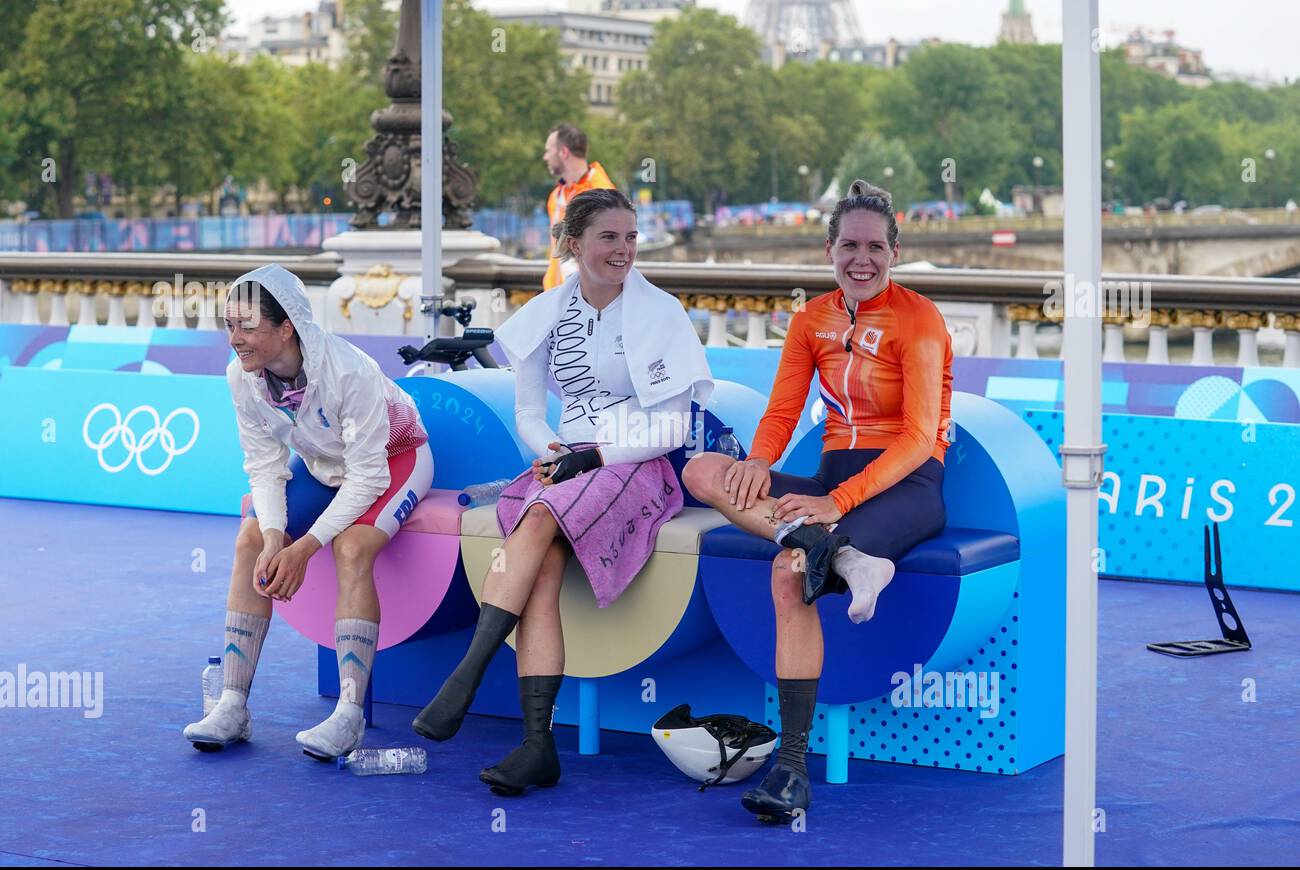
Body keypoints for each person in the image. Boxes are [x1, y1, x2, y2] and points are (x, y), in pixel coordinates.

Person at [413, 188, 713, 795]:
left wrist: (595, 455)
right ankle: (537, 747)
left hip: (639, 464)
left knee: (540, 514)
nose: (624, 250)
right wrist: (552, 451)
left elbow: (673, 429)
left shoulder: (662, 313)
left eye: (631, 237)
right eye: (609, 237)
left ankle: (465, 675)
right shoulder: (545, 314)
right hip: (566, 466)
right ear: (573, 243)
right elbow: (528, 413)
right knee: (541, 560)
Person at [682, 180, 954, 822]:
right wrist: (756, 464)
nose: (863, 260)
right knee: (702, 471)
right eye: (850, 246)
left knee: (791, 574)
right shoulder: (811, 320)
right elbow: (781, 412)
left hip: (906, 487)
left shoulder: (920, 318)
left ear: (894, 253)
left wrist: (838, 502)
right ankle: (832, 550)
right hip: (833, 483)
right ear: (829, 249)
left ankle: (791, 770)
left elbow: (918, 439)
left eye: (876, 248)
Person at [182, 264, 432, 760]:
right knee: (251, 537)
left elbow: (367, 477)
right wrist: (276, 538)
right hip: (324, 465)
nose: (235, 339)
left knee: (353, 546)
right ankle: (232, 705)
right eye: (229, 324)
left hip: (395, 459)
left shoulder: (349, 370)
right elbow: (264, 465)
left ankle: (349, 715)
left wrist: (305, 548)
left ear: (286, 328)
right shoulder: (242, 375)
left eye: (247, 327)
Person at [542, 123, 615, 290]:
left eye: (548, 151)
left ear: (564, 152)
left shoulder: (603, 194)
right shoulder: (556, 196)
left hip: (588, 300)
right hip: (559, 297)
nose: (545, 157)